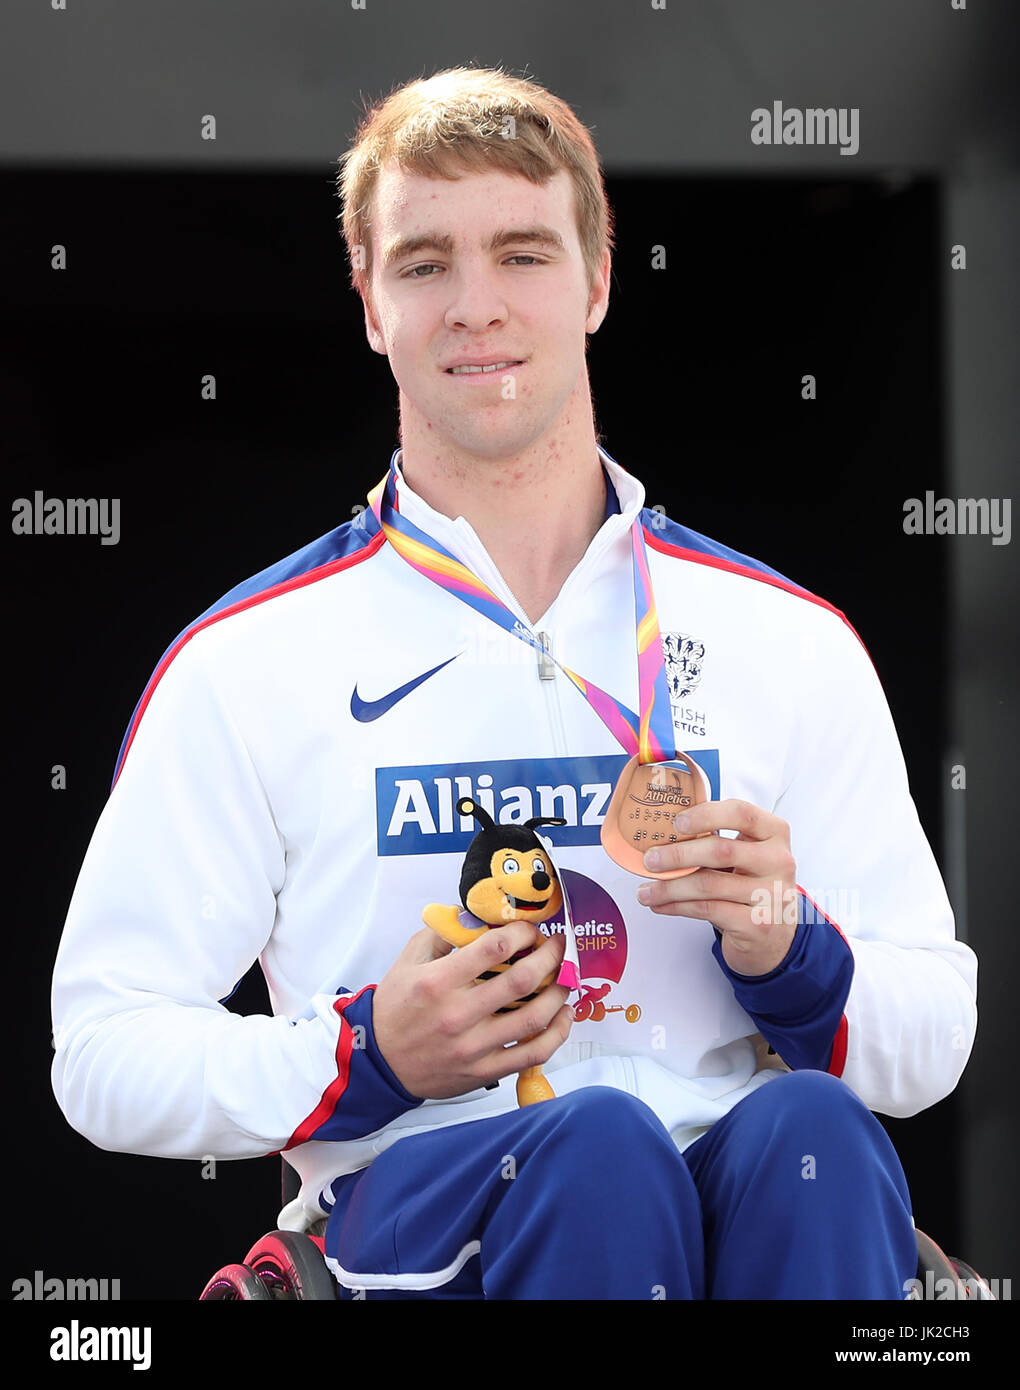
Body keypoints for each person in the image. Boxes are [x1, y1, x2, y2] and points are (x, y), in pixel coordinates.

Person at [50, 65, 978, 1300]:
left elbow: (929, 1036)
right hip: (426, 1214)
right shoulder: (249, 661)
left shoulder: (783, 634)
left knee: (820, 1134)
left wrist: (788, 945)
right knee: (599, 1153)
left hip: (751, 1204)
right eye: (425, 263)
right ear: (371, 302)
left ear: (597, 282)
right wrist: (367, 1049)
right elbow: (103, 1048)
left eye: (523, 255)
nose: (476, 307)